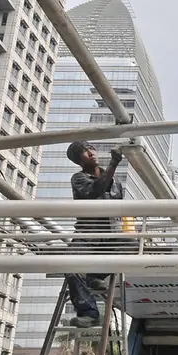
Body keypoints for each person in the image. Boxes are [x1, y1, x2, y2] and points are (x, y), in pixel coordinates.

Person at [65, 140, 125, 328]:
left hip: (112, 239)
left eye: (91, 148)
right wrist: (113, 163)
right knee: (71, 266)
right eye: (84, 151)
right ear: (78, 160)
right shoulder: (78, 178)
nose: (91, 152)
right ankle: (89, 313)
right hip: (88, 237)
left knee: (135, 247)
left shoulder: (117, 183)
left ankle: (93, 274)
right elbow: (97, 189)